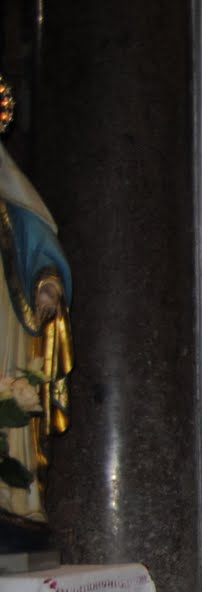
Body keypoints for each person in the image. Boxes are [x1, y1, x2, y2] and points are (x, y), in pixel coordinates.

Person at [0, 141, 72, 548]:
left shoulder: (11, 206)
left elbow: (43, 248)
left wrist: (48, 282)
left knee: (10, 391)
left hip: (5, 324)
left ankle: (12, 497)